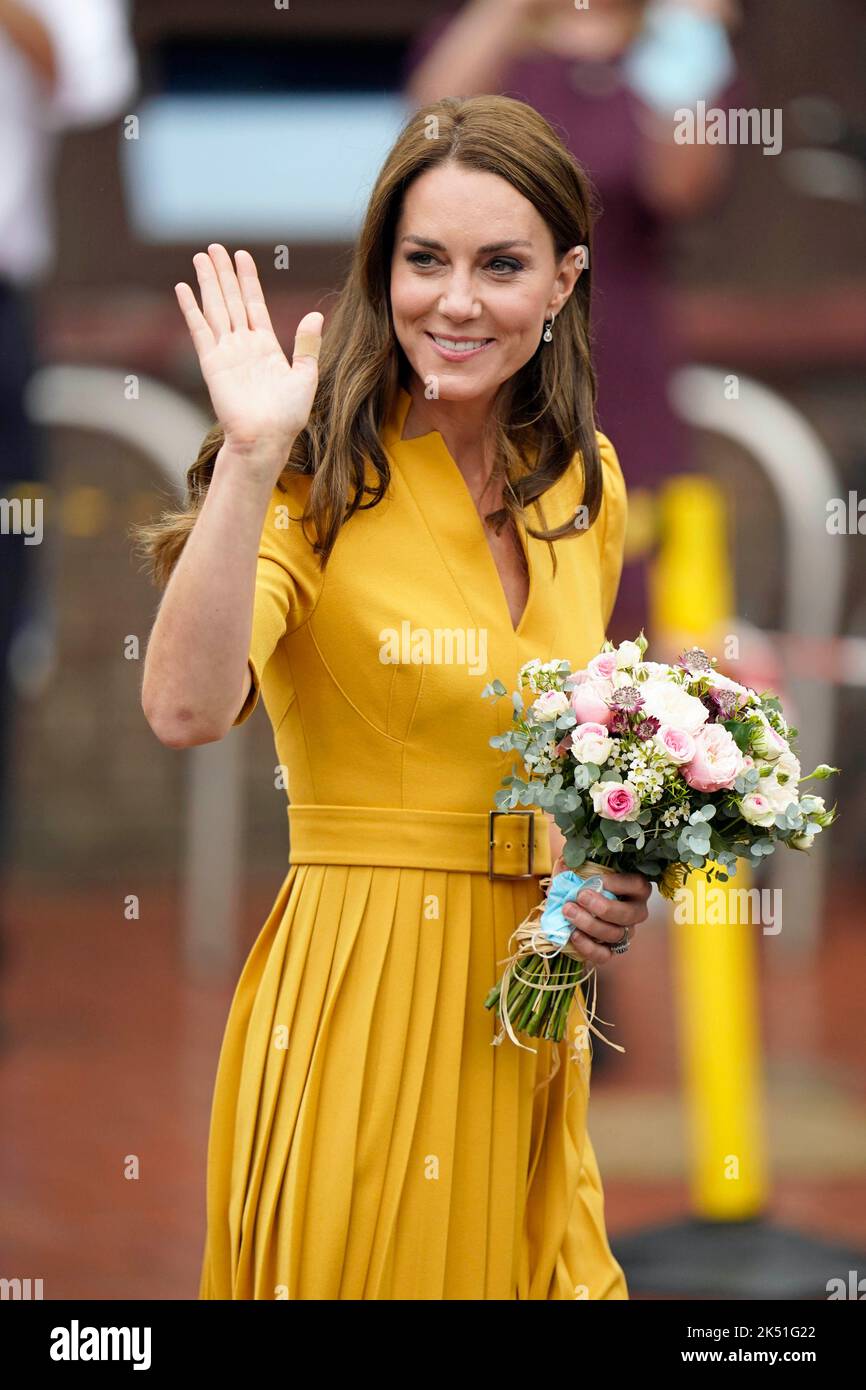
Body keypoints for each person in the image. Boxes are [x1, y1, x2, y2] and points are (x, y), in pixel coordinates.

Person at [136, 95, 651, 1301]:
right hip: (362, 1001)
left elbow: (565, 760)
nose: (455, 301)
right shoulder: (315, 470)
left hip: (530, 1026)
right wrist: (254, 456)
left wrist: (600, 879)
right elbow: (182, 708)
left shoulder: (584, 484)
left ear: (563, 282)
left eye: (499, 264)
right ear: (383, 269)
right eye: (423, 260)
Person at [404, 0, 744, 648]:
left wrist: (688, 41)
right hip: (489, 362)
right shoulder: (487, 37)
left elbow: (682, 186)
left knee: (656, 645)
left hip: (624, 373)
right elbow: (426, 133)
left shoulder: (672, 43)